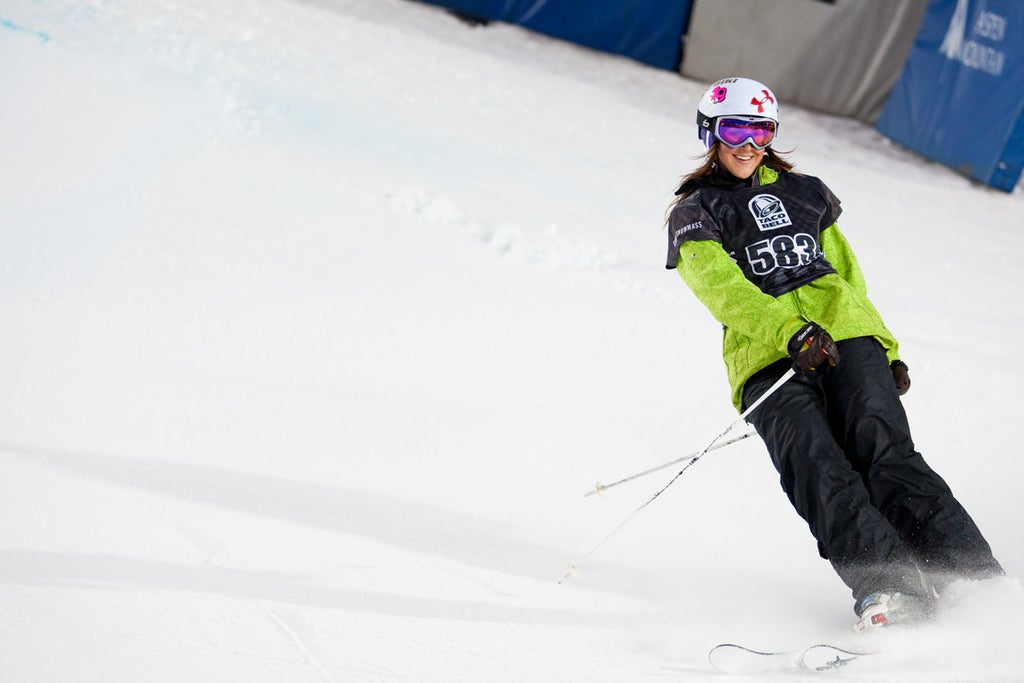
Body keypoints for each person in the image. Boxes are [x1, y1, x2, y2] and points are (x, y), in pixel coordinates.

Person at [665, 77, 1003, 631]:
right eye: (735, 129)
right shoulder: (696, 212)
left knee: (888, 455)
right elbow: (720, 289)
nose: (748, 144)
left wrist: (885, 345)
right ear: (711, 132)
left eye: (760, 130)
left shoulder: (807, 192)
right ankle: (890, 586)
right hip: (766, 360)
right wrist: (789, 332)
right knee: (819, 469)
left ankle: (970, 580)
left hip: (845, 335)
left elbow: (845, 274)